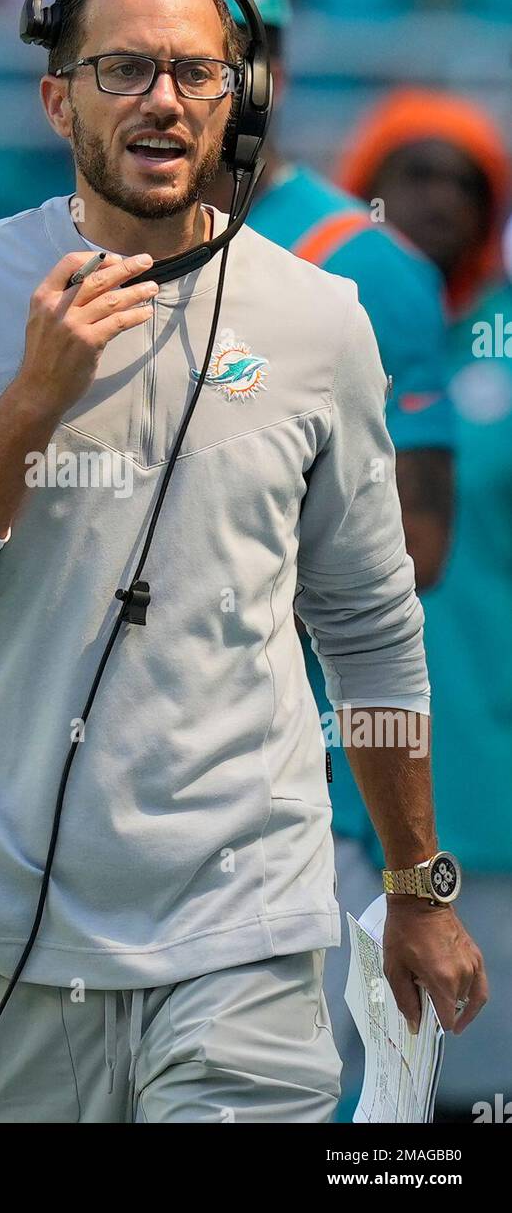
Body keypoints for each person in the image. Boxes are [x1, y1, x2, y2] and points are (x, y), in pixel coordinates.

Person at [0, 0, 485, 1124]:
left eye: (197, 73)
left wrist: (415, 886)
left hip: (246, 939)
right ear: (56, 97)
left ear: (238, 101)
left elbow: (371, 629)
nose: (164, 101)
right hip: (8, 948)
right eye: (125, 68)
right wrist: (31, 401)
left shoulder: (321, 319)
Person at [142, 0, 456, 1116]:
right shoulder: (80, 250)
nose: (176, 77)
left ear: (262, 56)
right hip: (107, 804)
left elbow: (411, 549)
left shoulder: (363, 265)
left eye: (212, 41)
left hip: (294, 806)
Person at [337, 88, 512, 1122]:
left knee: (473, 1098)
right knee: (345, 1094)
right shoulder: (311, 329)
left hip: (486, 783)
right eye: (415, 172)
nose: (440, 197)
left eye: (466, 182)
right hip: (325, 792)